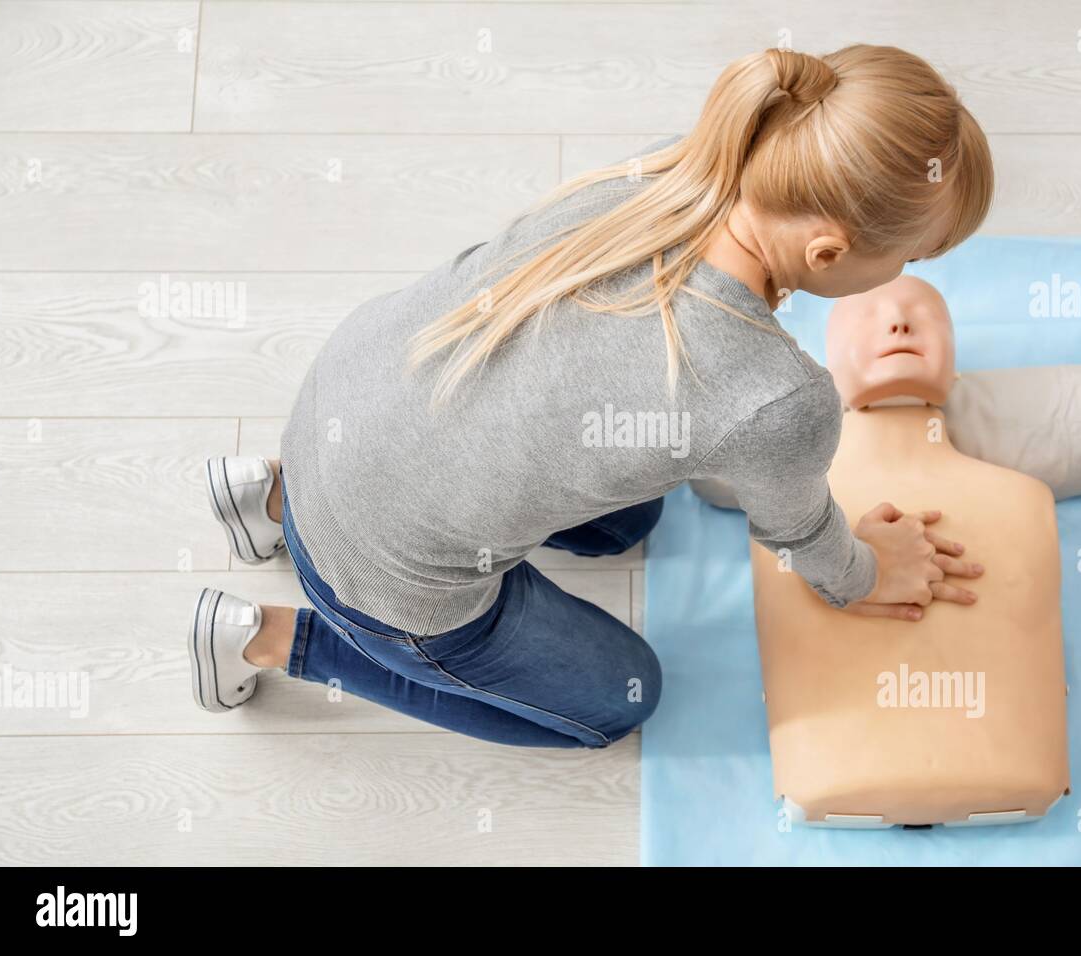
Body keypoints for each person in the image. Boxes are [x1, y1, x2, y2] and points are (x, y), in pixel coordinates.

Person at [188, 45, 994, 749]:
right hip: (384, 581)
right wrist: (864, 576)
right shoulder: (776, 397)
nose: (907, 279)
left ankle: (270, 495)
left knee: (629, 522)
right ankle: (270, 639)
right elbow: (800, 534)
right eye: (913, 259)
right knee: (619, 701)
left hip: (335, 407)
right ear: (829, 250)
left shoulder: (671, 167)